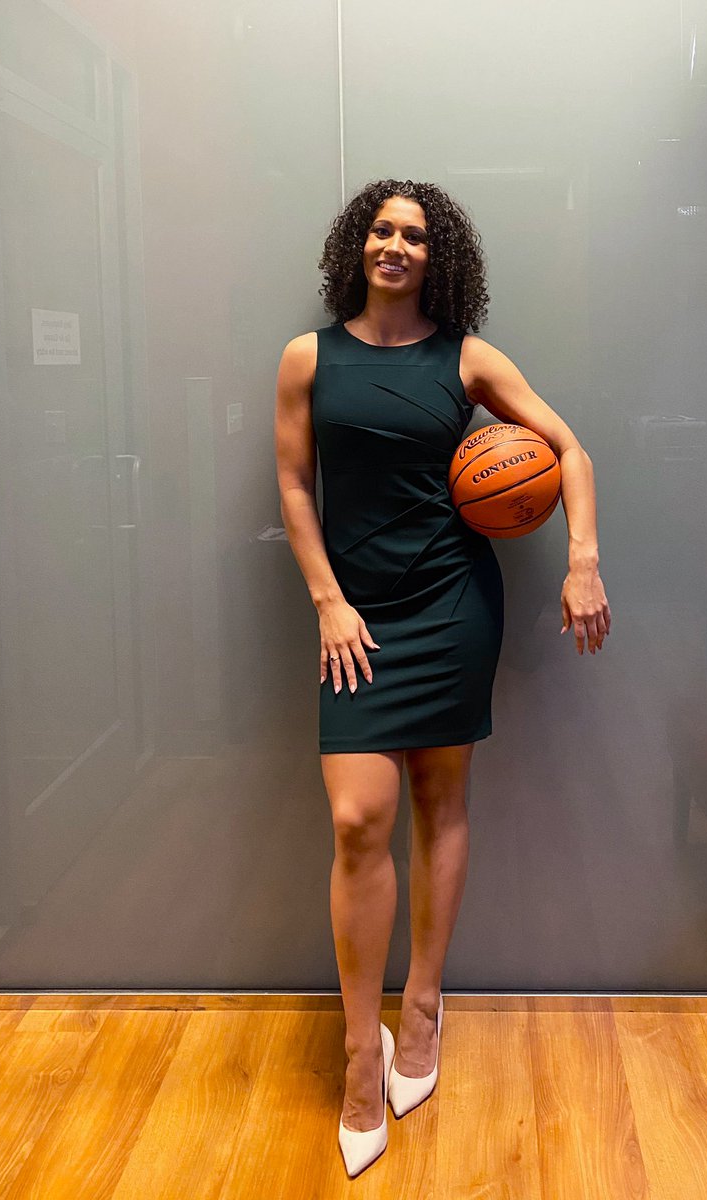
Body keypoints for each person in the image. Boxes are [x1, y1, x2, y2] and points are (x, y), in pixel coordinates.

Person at [273, 179, 610, 1178]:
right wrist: (328, 600)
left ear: (437, 255)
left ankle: (420, 1008)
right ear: (358, 243)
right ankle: (358, 1052)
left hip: (452, 602)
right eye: (382, 229)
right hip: (355, 616)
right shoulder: (306, 359)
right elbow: (293, 483)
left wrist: (582, 559)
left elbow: (570, 450)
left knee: (440, 802)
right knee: (356, 822)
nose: (396, 245)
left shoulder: (467, 359)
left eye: (415, 235)